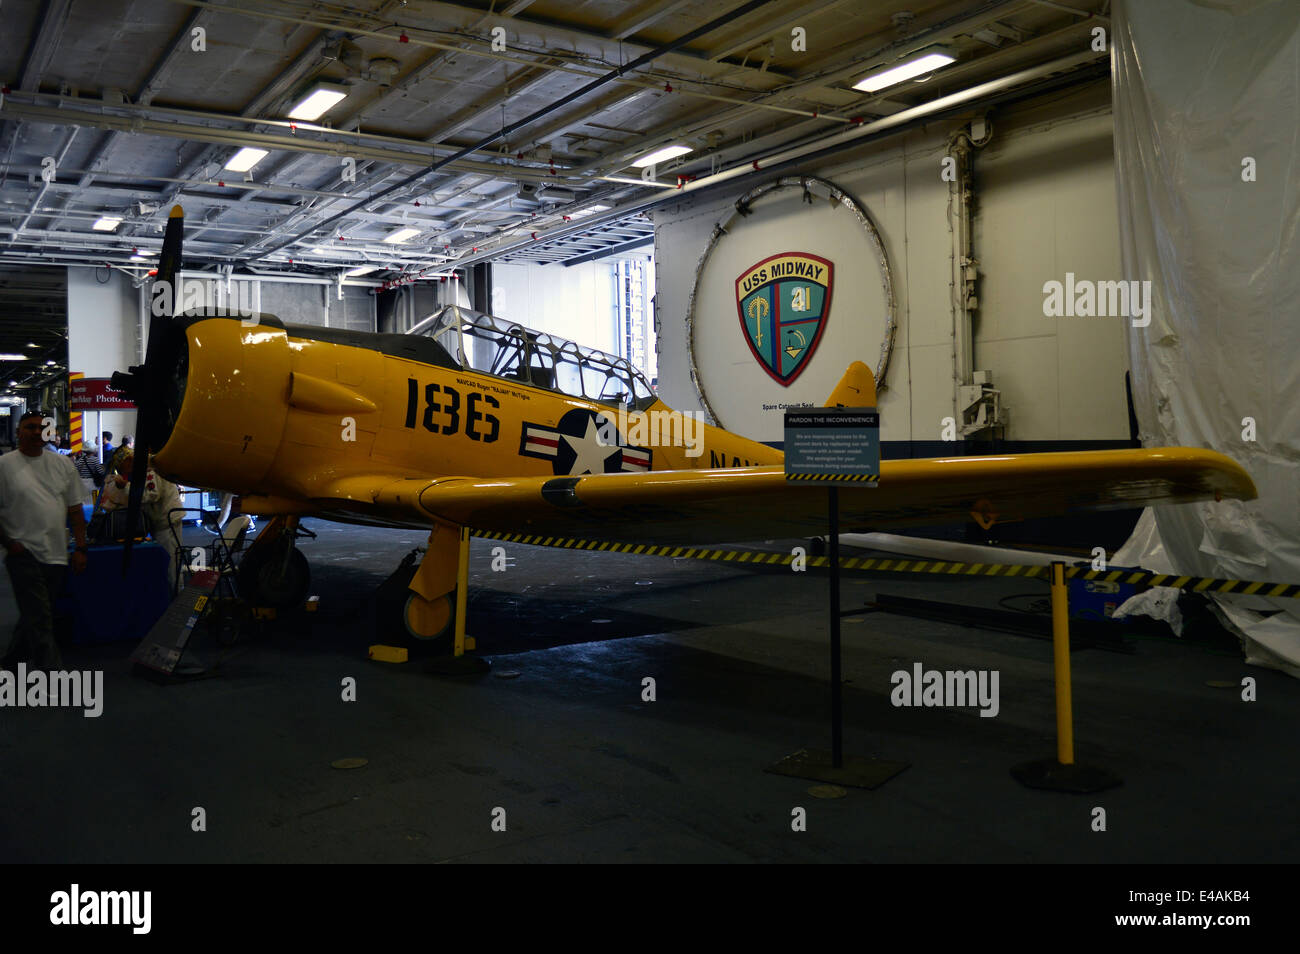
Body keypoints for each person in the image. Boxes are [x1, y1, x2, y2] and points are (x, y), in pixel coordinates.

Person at [0, 410, 89, 671]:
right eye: (30, 427)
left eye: (41, 427)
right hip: (22, 553)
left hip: (57, 553)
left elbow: (75, 509)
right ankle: (50, 673)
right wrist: (9, 543)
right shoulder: (4, 466)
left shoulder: (63, 464)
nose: (37, 432)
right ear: (18, 432)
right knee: (41, 617)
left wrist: (81, 547)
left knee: (37, 612)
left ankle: (12, 662)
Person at [102, 448, 184, 591]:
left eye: (122, 468)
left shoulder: (149, 467)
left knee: (170, 564)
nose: (123, 473)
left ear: (128, 461)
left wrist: (125, 487)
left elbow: (151, 495)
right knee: (165, 563)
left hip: (167, 521)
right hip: (161, 520)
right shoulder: (144, 465)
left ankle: (177, 598)